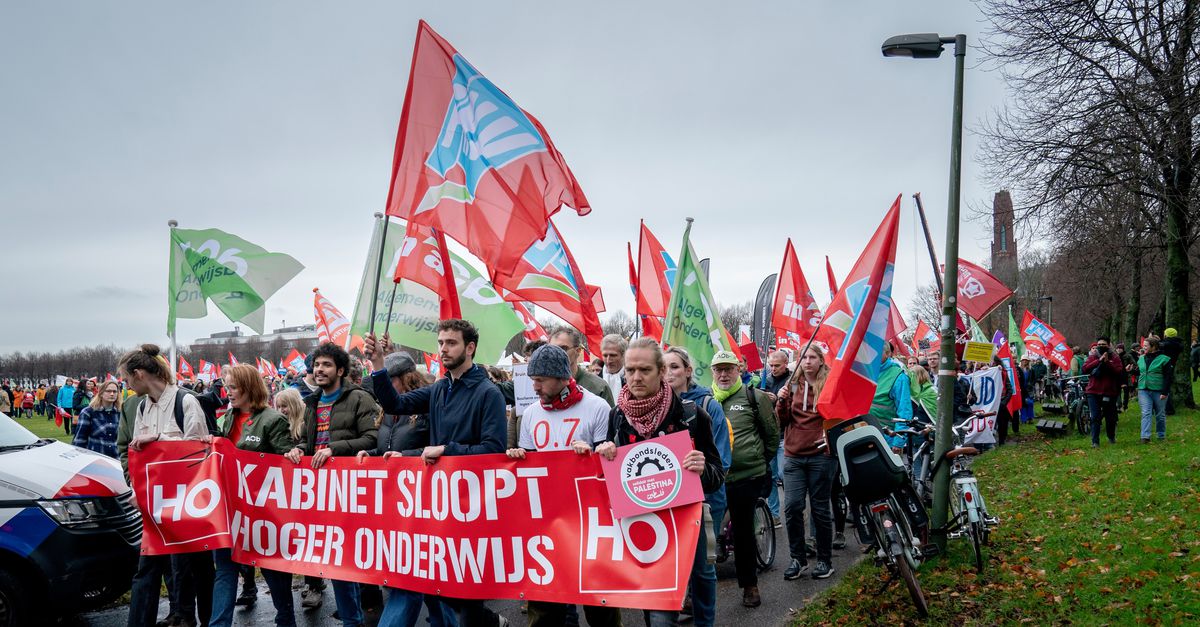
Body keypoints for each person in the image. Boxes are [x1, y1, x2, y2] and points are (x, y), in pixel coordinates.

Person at [363, 319, 508, 627]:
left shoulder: (488, 393)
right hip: (441, 501)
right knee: (442, 585)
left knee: (467, 592)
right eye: (440, 342)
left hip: (473, 506)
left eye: (451, 343)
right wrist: (377, 363)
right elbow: (396, 403)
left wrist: (448, 450)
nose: (443, 349)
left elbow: (494, 451)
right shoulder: (440, 388)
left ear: (470, 348)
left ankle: (489, 621)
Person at [595, 337, 725, 627]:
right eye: (630, 370)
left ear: (661, 372)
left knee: (702, 576)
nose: (635, 377)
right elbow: (605, 479)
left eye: (644, 370)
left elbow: (717, 475)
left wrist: (702, 468)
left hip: (687, 516)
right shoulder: (617, 416)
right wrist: (605, 455)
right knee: (653, 594)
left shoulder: (691, 415)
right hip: (644, 522)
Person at [506, 344, 618, 626]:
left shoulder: (597, 407)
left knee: (599, 605)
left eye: (541, 380)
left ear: (561, 377)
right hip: (546, 523)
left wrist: (592, 453)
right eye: (533, 379)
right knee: (544, 608)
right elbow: (530, 465)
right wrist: (520, 458)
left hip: (589, 521)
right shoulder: (530, 413)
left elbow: (609, 460)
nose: (535, 386)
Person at [353, 351, 456, 627]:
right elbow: (389, 448)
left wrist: (409, 456)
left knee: (412, 578)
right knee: (427, 578)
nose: (382, 391)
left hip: (424, 501)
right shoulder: (389, 412)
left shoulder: (428, 405)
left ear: (404, 379)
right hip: (394, 503)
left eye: (389, 382)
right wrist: (370, 453)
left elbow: (439, 447)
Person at [283, 342, 380, 627]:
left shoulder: (360, 398)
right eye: (316, 365)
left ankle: (353, 619)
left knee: (345, 558)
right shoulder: (312, 403)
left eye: (326, 365)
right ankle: (353, 617)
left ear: (340, 370)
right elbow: (311, 442)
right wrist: (299, 449)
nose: (319, 369)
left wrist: (335, 449)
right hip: (320, 493)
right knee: (332, 557)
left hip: (351, 490)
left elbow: (372, 438)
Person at [120, 344, 213, 627]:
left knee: (197, 568)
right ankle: (174, 617)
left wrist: (159, 439)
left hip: (189, 502)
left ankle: (206, 619)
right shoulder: (142, 407)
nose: (124, 385)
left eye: (125, 379)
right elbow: (140, 457)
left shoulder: (185, 401)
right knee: (150, 568)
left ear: (139, 374)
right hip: (157, 504)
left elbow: (199, 452)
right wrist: (139, 492)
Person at [210, 365, 297, 627]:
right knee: (225, 571)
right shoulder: (225, 418)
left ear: (249, 388)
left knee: (275, 574)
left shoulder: (272, 419)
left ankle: (286, 621)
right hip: (230, 511)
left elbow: (285, 465)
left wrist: (292, 455)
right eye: (227, 386)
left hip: (264, 514)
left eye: (233, 387)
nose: (228, 392)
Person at [662, 347, 729, 626]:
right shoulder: (655, 407)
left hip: (705, 499)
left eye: (675, 367)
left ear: (688, 371)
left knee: (702, 569)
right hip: (669, 501)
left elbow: (720, 461)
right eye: (663, 368)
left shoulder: (706, 406)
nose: (668, 374)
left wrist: (697, 474)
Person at [709, 350, 778, 607]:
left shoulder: (754, 397)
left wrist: (757, 459)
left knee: (743, 532)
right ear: (712, 372)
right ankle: (695, 594)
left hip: (745, 476)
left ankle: (750, 585)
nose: (724, 374)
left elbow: (771, 436)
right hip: (715, 479)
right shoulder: (706, 399)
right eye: (719, 369)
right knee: (704, 534)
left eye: (729, 369)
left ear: (738, 370)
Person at [776, 344, 837, 581]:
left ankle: (824, 560)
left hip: (821, 455)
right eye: (804, 357)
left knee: (820, 509)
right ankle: (798, 559)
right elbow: (782, 421)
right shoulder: (792, 384)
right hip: (794, 454)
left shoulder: (829, 385)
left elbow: (839, 415)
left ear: (821, 361)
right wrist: (781, 402)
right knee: (792, 507)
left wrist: (829, 434)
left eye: (812, 357)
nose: (807, 361)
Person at [271, 387, 328, 611]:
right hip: (293, 492)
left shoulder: (305, 424)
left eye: (285, 406)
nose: (282, 410)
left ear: (294, 404)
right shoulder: (281, 424)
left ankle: (314, 584)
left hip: (310, 489)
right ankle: (313, 580)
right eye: (279, 406)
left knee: (311, 539)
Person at [756, 350, 792, 523]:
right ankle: (774, 515)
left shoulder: (792, 381)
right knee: (769, 476)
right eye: (771, 365)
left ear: (785, 364)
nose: (773, 369)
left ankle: (794, 509)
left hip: (786, 434)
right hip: (769, 435)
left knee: (784, 473)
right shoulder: (765, 381)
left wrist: (780, 399)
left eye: (777, 365)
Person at [550, 328, 615, 407]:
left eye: (563, 349)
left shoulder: (598, 388)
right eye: (552, 349)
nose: (557, 354)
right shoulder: (541, 386)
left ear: (578, 351)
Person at [1082, 336, 1126, 448]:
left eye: (1103, 344)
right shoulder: (1092, 356)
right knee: (1095, 417)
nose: (1101, 346)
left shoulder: (1115, 357)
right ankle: (1095, 441)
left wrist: (1108, 363)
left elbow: (1118, 371)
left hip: (1109, 392)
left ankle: (1111, 437)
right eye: (1099, 344)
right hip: (1093, 391)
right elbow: (1085, 369)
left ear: (1109, 345)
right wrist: (1099, 361)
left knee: (1110, 417)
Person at [871, 342, 913, 450]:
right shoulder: (864, 372)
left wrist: (898, 441)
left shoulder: (899, 377)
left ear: (888, 353)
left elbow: (904, 411)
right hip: (863, 434)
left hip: (886, 439)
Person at [73, 380, 121, 458]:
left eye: (115, 391)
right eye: (108, 391)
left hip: (116, 460)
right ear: (101, 393)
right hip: (95, 459)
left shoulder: (121, 413)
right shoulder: (88, 412)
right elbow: (79, 440)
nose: (112, 394)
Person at [1137, 337, 1170, 443]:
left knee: (1160, 414)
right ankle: (1145, 437)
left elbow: (1168, 377)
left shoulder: (1164, 359)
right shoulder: (1141, 358)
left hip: (1158, 390)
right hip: (1143, 389)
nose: (1143, 347)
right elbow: (1140, 372)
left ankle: (1161, 435)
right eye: (1143, 345)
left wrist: (1165, 392)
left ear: (1154, 347)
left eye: (1146, 345)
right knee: (1146, 412)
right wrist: (1131, 370)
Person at [1159, 328, 1183, 415]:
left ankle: (1169, 409)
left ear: (1167, 335)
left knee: (1164, 388)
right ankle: (1167, 408)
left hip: (1165, 367)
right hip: (1171, 366)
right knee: (1166, 387)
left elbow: (1159, 346)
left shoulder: (1166, 344)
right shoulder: (1178, 344)